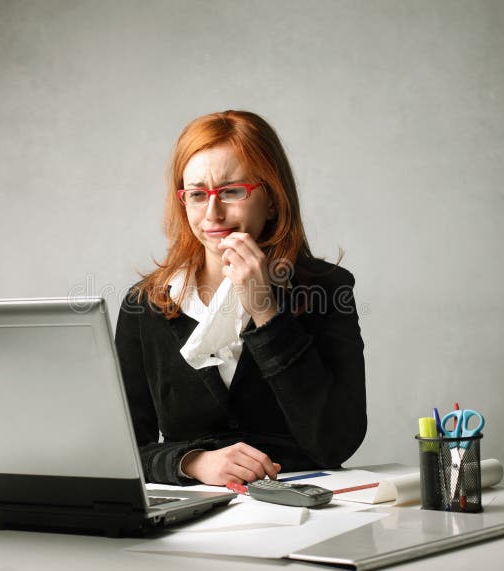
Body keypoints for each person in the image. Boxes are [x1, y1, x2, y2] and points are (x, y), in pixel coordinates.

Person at [115, 110, 366, 486]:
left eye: (232, 191)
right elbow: (122, 450)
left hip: (304, 506)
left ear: (272, 199)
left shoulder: (329, 290)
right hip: (196, 517)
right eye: (197, 195)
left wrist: (266, 311)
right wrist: (195, 463)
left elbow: (336, 441)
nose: (213, 213)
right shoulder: (145, 304)